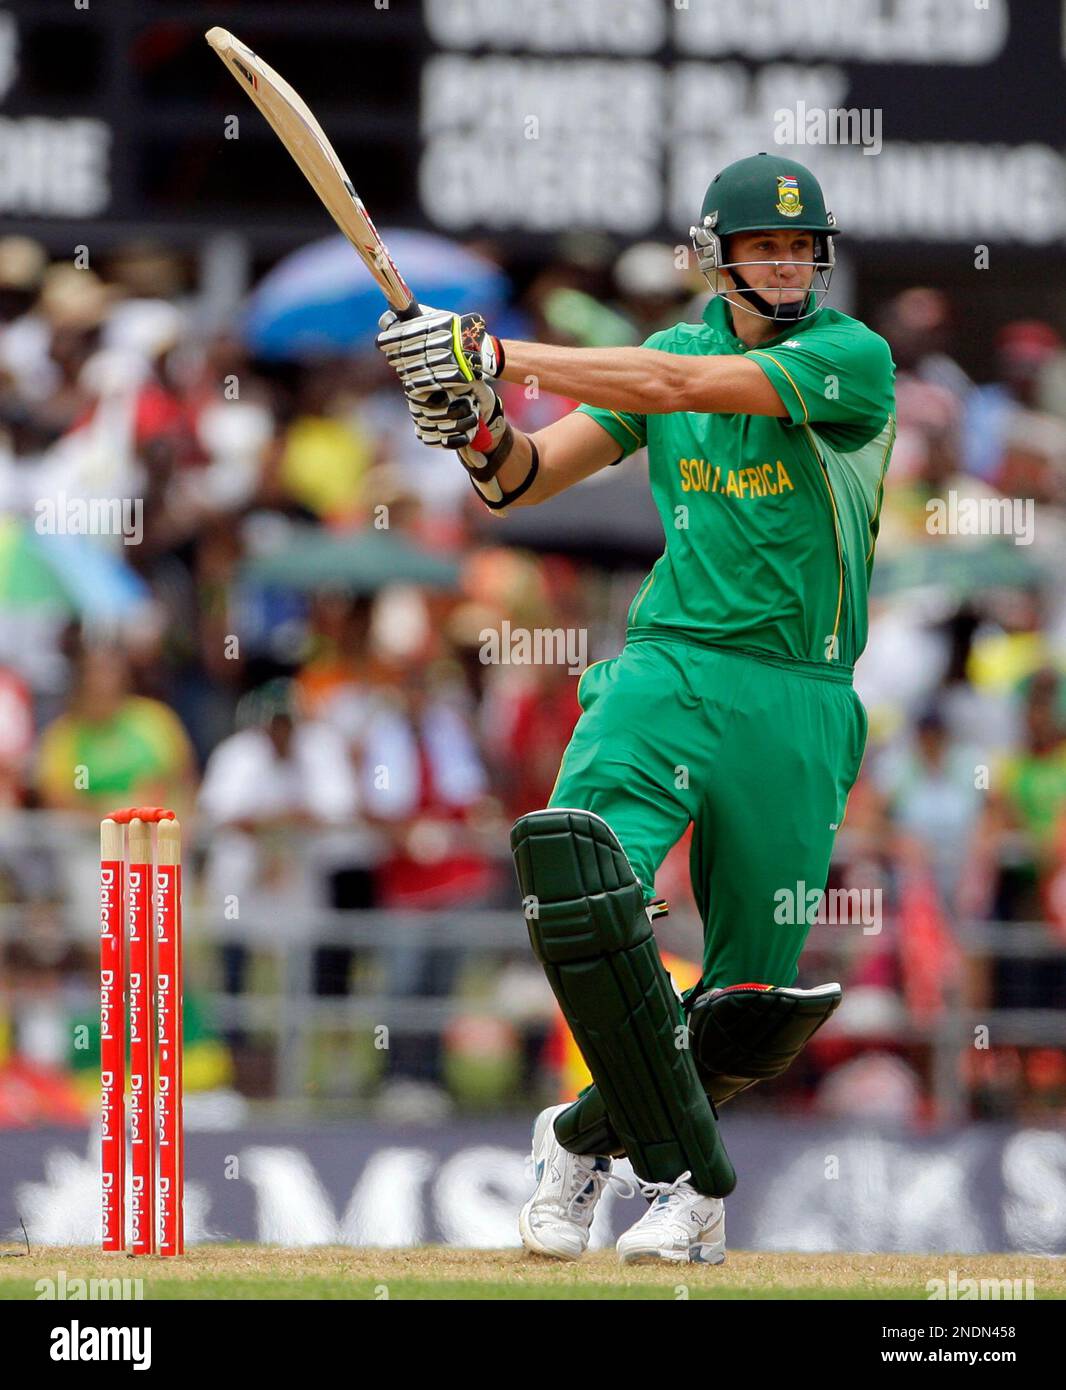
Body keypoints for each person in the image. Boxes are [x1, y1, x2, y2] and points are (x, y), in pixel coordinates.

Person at [378, 154, 896, 1264]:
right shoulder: (665, 351)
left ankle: (574, 1140)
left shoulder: (851, 359)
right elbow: (519, 478)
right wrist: (473, 418)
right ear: (718, 259)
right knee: (580, 873)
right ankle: (690, 1184)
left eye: (804, 247)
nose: (789, 266)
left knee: (746, 1015)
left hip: (802, 691)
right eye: (765, 246)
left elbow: (673, 394)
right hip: (668, 664)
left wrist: (500, 352)